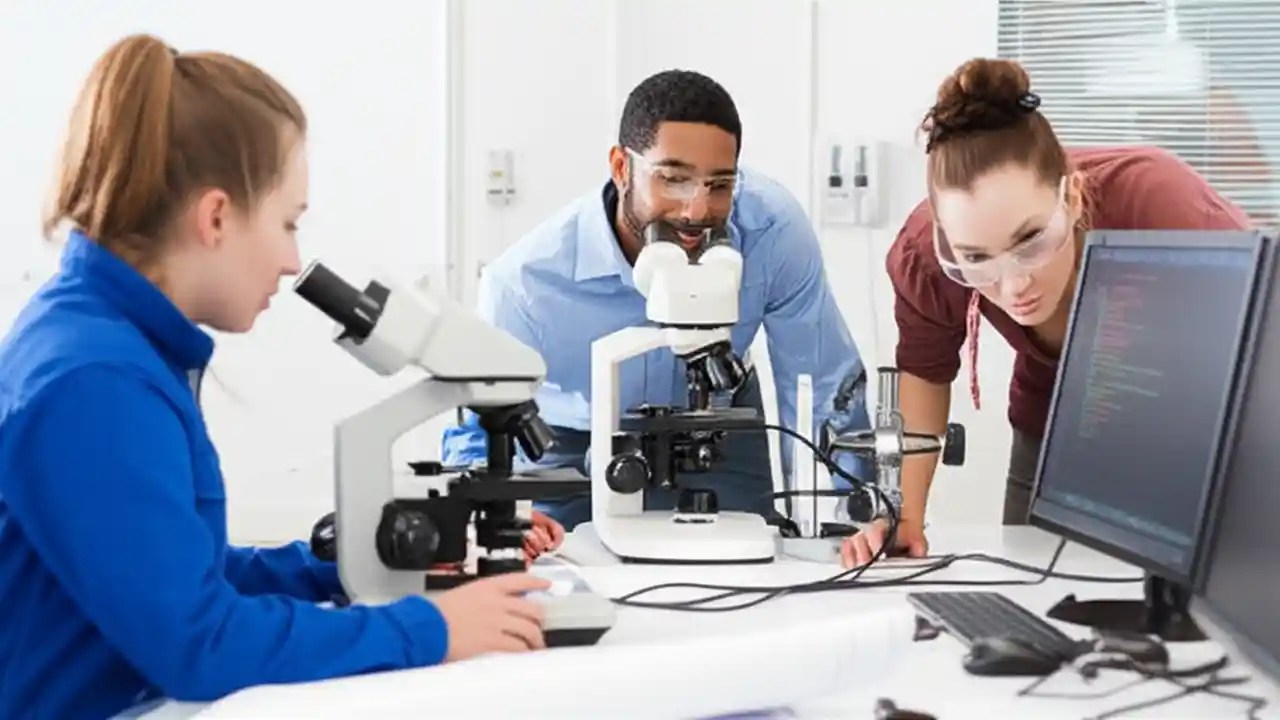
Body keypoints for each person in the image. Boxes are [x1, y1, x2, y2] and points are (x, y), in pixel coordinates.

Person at [0, 34, 559, 720]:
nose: (295, 261)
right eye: (288, 223)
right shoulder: (94, 382)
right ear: (215, 217)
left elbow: (183, 579)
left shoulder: (108, 342)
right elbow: (200, 645)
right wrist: (433, 630)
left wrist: (351, 565)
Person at [839, 58, 1254, 568]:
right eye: (975, 259)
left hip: (1192, 419)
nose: (1014, 286)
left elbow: (1258, 347)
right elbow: (924, 373)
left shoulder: (1161, 208)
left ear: (1073, 198)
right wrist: (904, 517)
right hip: (1052, 418)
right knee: (1035, 586)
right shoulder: (928, 257)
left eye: (1030, 240)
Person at [440, 69, 873, 531]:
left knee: (755, 558)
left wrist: (862, 509)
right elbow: (478, 432)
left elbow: (822, 384)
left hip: (715, 410)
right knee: (555, 565)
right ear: (621, 168)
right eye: (673, 179)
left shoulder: (771, 231)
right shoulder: (525, 284)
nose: (696, 211)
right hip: (571, 437)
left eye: (720, 185)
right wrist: (499, 518)